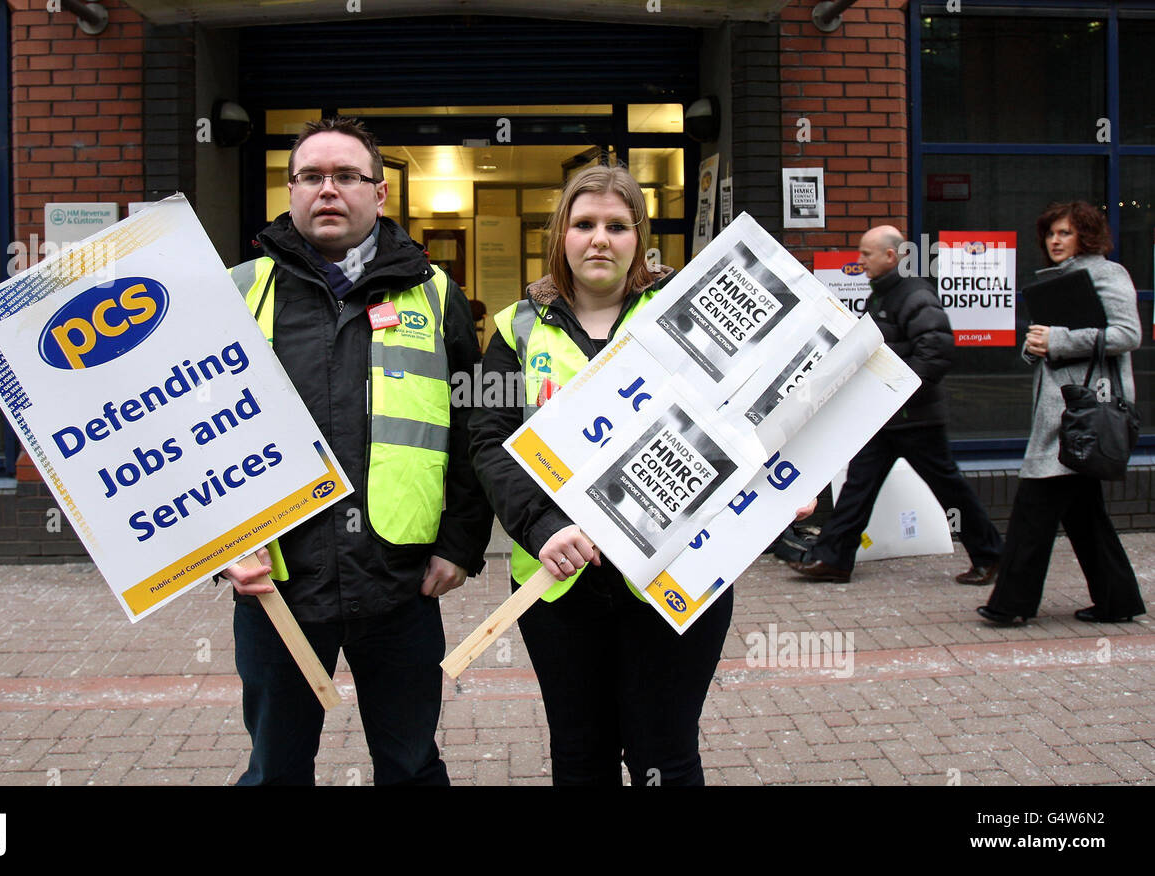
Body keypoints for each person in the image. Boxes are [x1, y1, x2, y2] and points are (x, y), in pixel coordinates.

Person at [470, 164, 809, 785]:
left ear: (639, 238)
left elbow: (762, 405)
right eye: (585, 224)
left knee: (665, 757)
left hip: (675, 576)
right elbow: (489, 442)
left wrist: (786, 481)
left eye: (617, 226)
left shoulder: (686, 312)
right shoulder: (516, 329)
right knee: (580, 757)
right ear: (561, 236)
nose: (599, 238)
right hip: (559, 579)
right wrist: (542, 524)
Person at [220, 117, 493, 784]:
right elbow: (191, 438)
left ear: (381, 192)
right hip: (279, 582)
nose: (328, 190)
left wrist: (460, 543)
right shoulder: (237, 293)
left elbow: (473, 428)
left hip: (397, 582)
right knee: (274, 770)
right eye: (311, 177)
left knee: (409, 764)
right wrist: (220, 549)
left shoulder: (435, 295)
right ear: (289, 191)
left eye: (347, 176)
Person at [788, 225, 1003, 585]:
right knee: (858, 486)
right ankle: (833, 559)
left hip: (916, 419)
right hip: (888, 418)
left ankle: (991, 556)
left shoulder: (914, 294)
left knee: (949, 488)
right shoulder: (885, 295)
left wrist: (897, 391)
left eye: (867, 254)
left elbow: (937, 352)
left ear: (891, 256)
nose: (860, 261)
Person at [978, 202, 1146, 626]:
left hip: (1081, 414)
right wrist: (1036, 344)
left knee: (1034, 507)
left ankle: (1010, 605)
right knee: (1085, 517)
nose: (1055, 240)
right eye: (1051, 233)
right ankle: (1118, 600)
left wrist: (1058, 340)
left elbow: (1128, 334)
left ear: (1085, 236)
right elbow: (1050, 340)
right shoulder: (1060, 281)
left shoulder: (1108, 275)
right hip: (1067, 410)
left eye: (1065, 233)